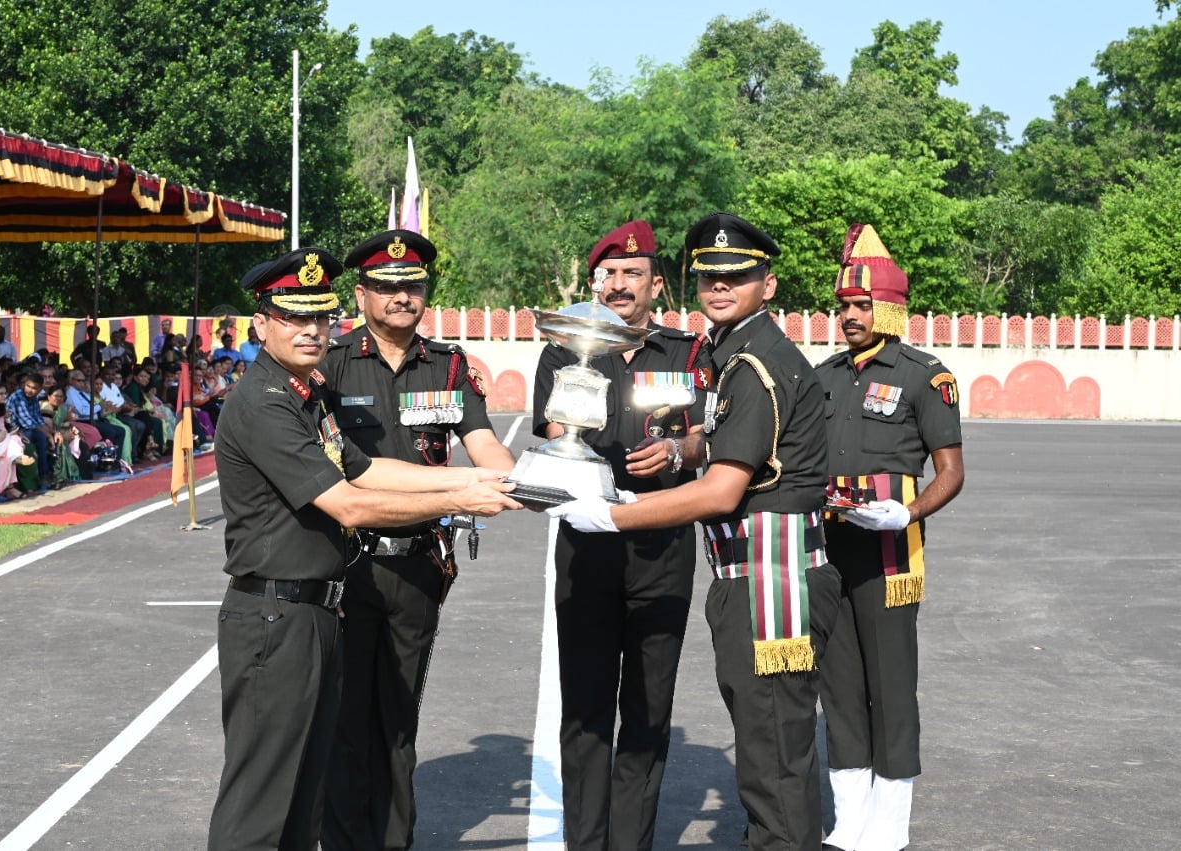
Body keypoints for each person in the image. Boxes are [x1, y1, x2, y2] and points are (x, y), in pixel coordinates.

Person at [207, 246, 520, 851]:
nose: (310, 330)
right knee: (260, 805)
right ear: (261, 324)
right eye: (294, 317)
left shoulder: (304, 396)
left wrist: (473, 480)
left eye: (318, 317)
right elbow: (349, 502)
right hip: (275, 614)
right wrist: (458, 500)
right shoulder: (266, 403)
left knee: (301, 796)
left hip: (315, 610)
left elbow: (370, 467)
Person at [547, 212, 842, 851]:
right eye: (710, 276)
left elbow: (723, 489)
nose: (719, 287)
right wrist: (685, 451)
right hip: (736, 569)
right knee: (767, 752)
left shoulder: (740, 360)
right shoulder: (729, 353)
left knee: (771, 756)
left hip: (764, 573)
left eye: (736, 277)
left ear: (767, 284)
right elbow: (723, 439)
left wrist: (614, 511)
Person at [316, 229, 518, 851]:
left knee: (400, 719)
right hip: (346, 564)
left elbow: (486, 448)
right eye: (387, 286)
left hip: (421, 568)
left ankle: (393, 841)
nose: (402, 296)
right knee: (345, 720)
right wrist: (463, 484)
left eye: (413, 286)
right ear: (361, 294)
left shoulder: (449, 365)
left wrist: (532, 474)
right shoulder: (329, 364)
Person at [530, 220, 711, 850]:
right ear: (594, 282)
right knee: (583, 710)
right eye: (608, 273)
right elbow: (552, 432)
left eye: (633, 274)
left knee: (647, 707)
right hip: (587, 545)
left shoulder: (689, 351)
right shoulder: (565, 348)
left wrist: (678, 453)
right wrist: (568, 440)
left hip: (661, 545)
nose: (619, 285)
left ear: (656, 285)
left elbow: (708, 435)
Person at [814, 224, 965, 851]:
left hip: (891, 552)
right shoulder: (820, 376)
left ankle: (891, 823)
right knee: (838, 685)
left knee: (891, 686)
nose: (849, 316)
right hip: (827, 549)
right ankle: (850, 816)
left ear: (890, 308)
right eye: (843, 306)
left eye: (861, 305)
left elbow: (951, 472)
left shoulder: (924, 376)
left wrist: (907, 515)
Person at [4, 371, 55, 486]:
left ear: (40, 389)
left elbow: (39, 420)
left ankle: (52, 473)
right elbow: (28, 423)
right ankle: (44, 475)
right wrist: (48, 434)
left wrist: (54, 433)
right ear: (24, 384)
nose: (29, 390)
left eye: (34, 388)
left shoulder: (34, 399)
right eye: (28, 386)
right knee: (41, 437)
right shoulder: (19, 397)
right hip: (13, 431)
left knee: (56, 438)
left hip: (26, 429)